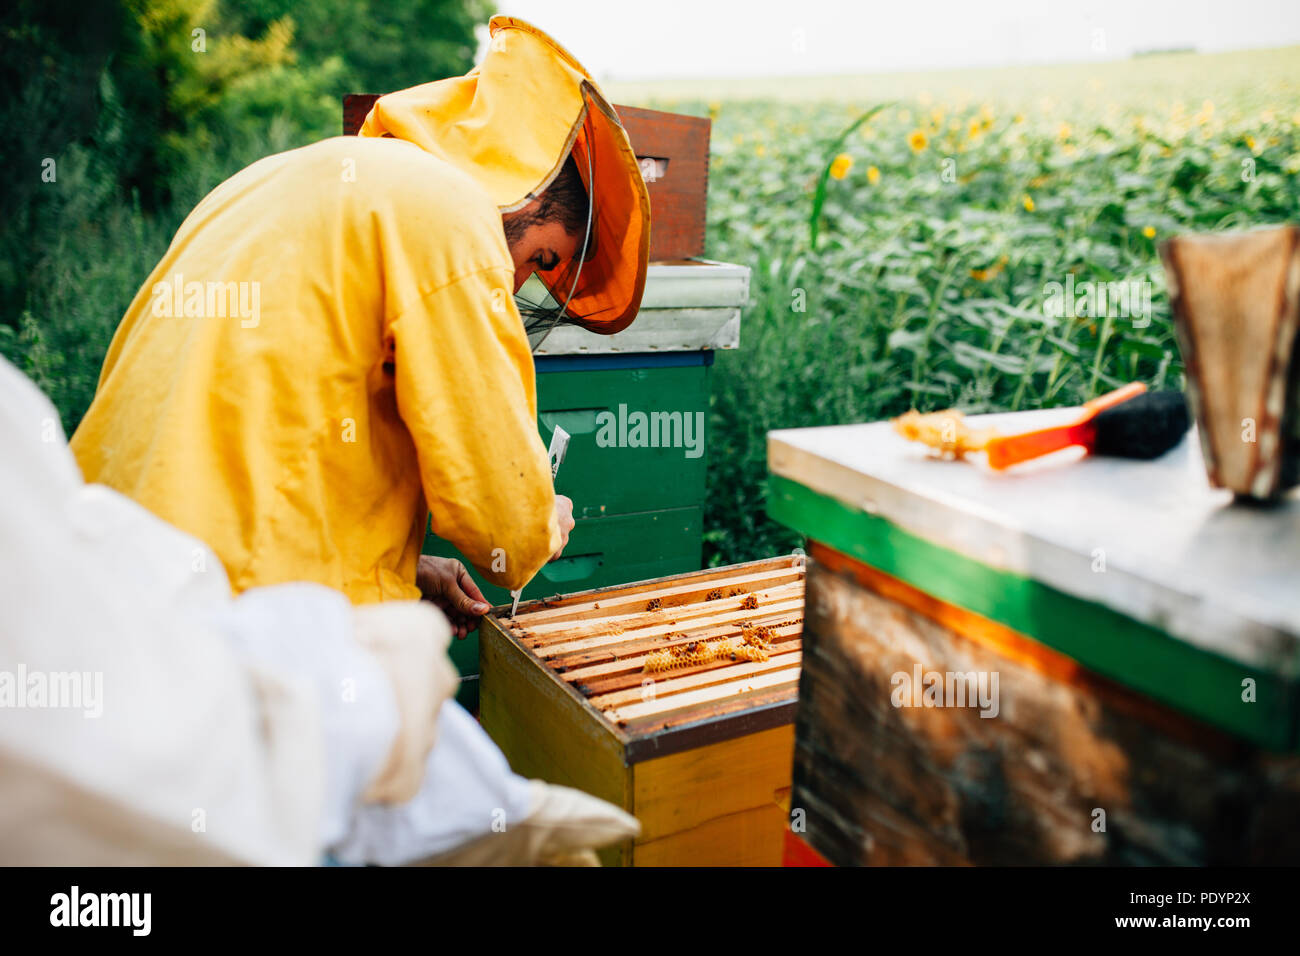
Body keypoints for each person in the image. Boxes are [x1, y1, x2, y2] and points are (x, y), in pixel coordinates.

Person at [69, 16, 650, 628]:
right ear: (526, 192)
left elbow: (267, 437)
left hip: (99, 568)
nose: (515, 282)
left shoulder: (270, 179)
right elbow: (502, 522)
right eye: (542, 258)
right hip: (224, 618)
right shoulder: (450, 216)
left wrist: (401, 568)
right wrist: (542, 522)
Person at [0, 356, 639, 865]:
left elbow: (97, 565)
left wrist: (400, 573)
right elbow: (130, 754)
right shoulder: (439, 231)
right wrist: (368, 700)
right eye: (541, 262)